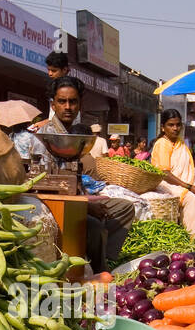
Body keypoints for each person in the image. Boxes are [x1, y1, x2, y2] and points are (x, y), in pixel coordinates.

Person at [30, 76, 135, 273]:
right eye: (62, 101)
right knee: (94, 227)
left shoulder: (76, 134)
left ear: (80, 104)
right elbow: (46, 186)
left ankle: (101, 256)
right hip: (55, 203)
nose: (68, 106)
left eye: (73, 101)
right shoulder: (46, 137)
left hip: (77, 196)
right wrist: (85, 206)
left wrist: (87, 201)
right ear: (53, 104)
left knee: (125, 208)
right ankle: (98, 269)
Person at [150, 108, 195, 234]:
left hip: (182, 183)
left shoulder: (180, 143)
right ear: (163, 127)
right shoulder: (162, 144)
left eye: (178, 125)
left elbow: (185, 170)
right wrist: (189, 187)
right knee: (191, 199)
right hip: (167, 184)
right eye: (171, 125)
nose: (175, 128)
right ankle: (194, 236)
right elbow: (164, 173)